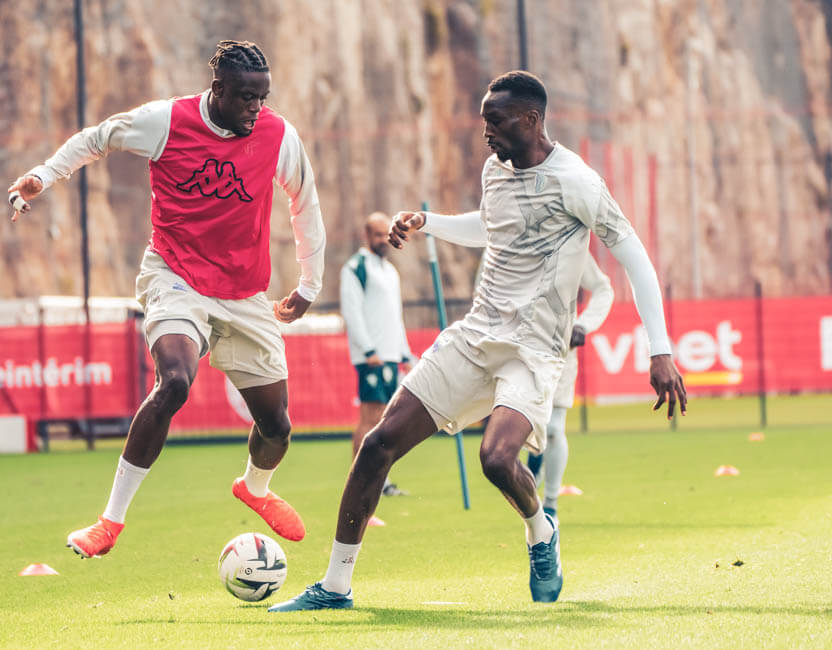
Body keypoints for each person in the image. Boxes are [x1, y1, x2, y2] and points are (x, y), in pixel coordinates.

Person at [270, 71, 685, 611]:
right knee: (377, 445)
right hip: (476, 335)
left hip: (534, 349)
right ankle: (334, 587)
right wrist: (427, 223)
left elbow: (636, 260)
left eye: (497, 121)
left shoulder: (577, 182)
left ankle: (540, 531)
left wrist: (660, 350)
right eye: (484, 120)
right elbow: (490, 226)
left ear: (532, 120)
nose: (486, 132)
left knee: (495, 459)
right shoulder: (495, 170)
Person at [6, 40, 326, 558]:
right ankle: (109, 522)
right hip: (176, 275)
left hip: (245, 291)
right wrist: (43, 175)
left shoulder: (278, 135)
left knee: (277, 427)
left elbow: (304, 204)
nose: (256, 108)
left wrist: (309, 284)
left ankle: (255, 488)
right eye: (246, 97)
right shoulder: (166, 122)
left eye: (262, 98)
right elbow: (98, 138)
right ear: (218, 89)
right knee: (174, 381)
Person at [340, 211, 415, 525]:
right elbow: (352, 311)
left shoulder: (390, 271)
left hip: (391, 355)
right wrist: (367, 349)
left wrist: (404, 352)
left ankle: (380, 481)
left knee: (385, 421)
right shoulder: (355, 267)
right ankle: (358, 484)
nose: (384, 240)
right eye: (378, 235)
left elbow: (395, 316)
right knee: (369, 419)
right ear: (366, 236)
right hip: (371, 356)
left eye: (387, 234)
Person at [526, 255, 613, 517]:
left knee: (554, 428)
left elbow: (603, 288)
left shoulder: (571, 243)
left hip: (561, 349)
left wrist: (583, 325)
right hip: (518, 348)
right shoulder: (505, 239)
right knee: (526, 424)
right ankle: (535, 456)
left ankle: (550, 504)